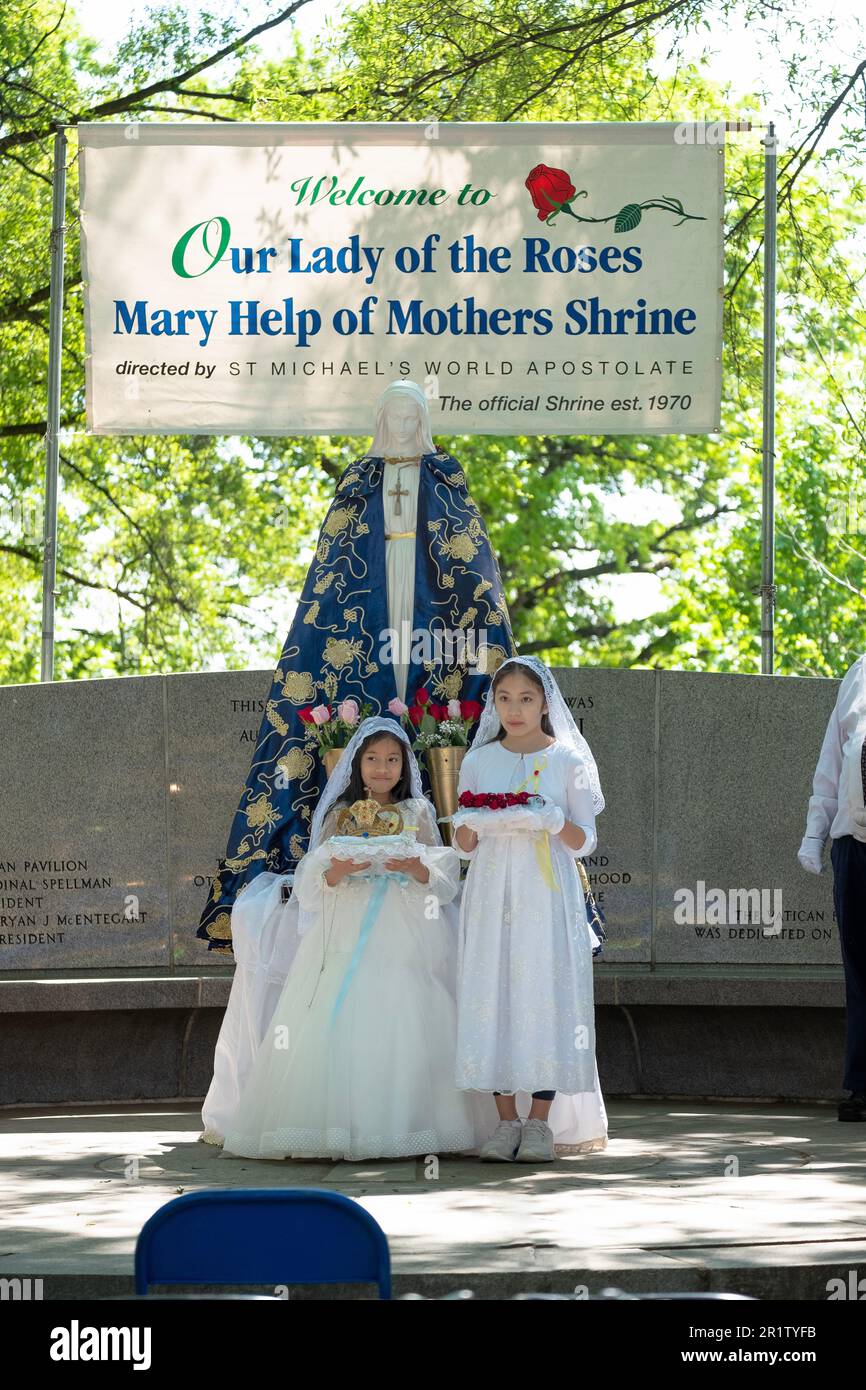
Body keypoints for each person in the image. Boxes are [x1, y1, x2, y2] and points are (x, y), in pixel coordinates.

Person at [197, 378, 515, 953]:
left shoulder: (445, 478)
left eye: (407, 416)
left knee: (426, 675)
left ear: (420, 422)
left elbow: (472, 566)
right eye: (389, 417)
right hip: (369, 601)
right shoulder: (358, 480)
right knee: (371, 672)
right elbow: (335, 564)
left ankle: (437, 828)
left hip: (430, 608)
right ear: (380, 422)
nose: (398, 427)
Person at [220, 716, 476, 1160]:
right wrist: (338, 872)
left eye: (392, 760)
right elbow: (312, 878)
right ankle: (338, 1126)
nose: (382, 769)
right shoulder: (341, 817)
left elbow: (442, 872)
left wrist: (416, 871)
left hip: (404, 929)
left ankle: (409, 1124)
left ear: (405, 766)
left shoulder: (417, 813)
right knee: (339, 1015)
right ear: (358, 766)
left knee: (407, 1011)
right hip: (347, 928)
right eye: (373, 760)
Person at [452, 654, 608, 1162]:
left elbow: (585, 840)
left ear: (544, 702)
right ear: (492, 704)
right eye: (504, 699)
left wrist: (553, 819)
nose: (514, 709)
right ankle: (505, 1121)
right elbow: (463, 842)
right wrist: (469, 829)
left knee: (544, 992)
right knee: (492, 990)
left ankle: (540, 1122)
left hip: (546, 889)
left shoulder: (567, 761)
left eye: (526, 699)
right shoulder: (477, 760)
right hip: (493, 886)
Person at [798, 654, 866, 1122]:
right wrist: (814, 834)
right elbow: (833, 759)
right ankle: (862, 1085)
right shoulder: (860, 671)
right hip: (855, 842)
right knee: (861, 970)